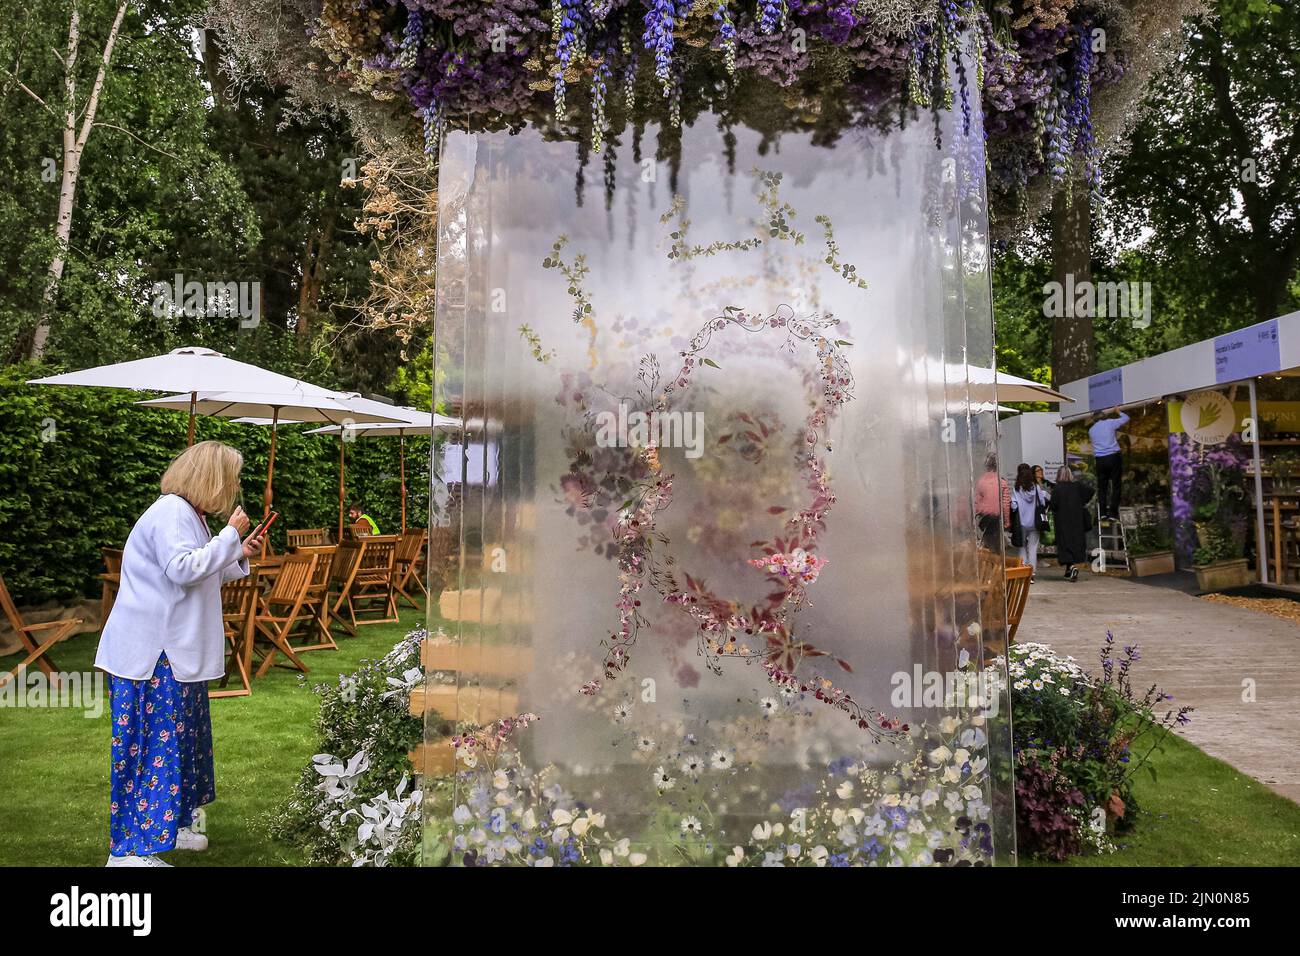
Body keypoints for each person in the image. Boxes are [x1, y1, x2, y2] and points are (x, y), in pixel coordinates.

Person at [95, 441, 263, 867]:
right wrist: (230, 535)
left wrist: (236, 553)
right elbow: (182, 569)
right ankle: (131, 851)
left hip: (168, 653)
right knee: (152, 747)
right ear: (213, 479)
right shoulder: (172, 512)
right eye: (232, 479)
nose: (235, 487)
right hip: (154, 655)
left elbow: (197, 571)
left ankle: (168, 825)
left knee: (181, 744)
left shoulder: (187, 515)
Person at [1048, 464, 1093, 582]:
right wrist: (1081, 501)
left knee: (1065, 544)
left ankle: (1071, 567)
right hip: (1077, 521)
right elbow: (1091, 492)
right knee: (1075, 543)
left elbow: (1053, 505)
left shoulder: (1058, 488)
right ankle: (1070, 570)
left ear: (1059, 475)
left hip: (1062, 522)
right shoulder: (1077, 486)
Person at [1088, 405, 1129, 519]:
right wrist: (1118, 411)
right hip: (1113, 456)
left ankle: (1102, 513)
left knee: (1102, 487)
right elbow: (1126, 418)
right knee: (1116, 484)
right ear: (1104, 416)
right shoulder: (1109, 423)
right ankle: (1113, 512)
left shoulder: (1091, 430)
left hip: (1100, 459)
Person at [1010, 463, 1049, 580]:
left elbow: (1013, 506)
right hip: (1035, 523)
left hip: (1021, 523)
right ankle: (1031, 573)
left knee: (1022, 547)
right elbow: (1042, 502)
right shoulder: (1036, 488)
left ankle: (1023, 571)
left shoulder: (1016, 488)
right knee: (1032, 548)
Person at [975, 452, 1011, 552]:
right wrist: (1007, 521)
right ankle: (995, 564)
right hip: (996, 518)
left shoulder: (981, 481)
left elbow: (977, 502)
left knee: (987, 543)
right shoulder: (1001, 482)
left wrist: (978, 517)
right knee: (996, 547)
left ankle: (985, 562)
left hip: (984, 518)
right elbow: (1005, 504)